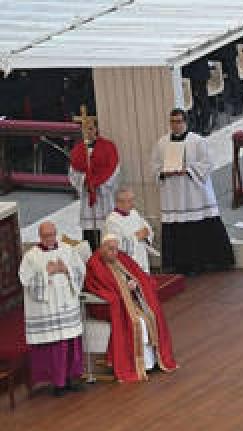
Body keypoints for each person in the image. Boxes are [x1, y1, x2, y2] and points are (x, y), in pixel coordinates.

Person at [152, 109, 235, 275]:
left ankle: (203, 263)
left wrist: (188, 170)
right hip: (173, 193)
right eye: (172, 122)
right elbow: (154, 165)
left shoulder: (197, 141)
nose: (175, 125)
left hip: (194, 193)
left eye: (178, 121)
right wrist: (163, 172)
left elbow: (208, 163)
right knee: (177, 228)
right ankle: (178, 265)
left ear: (185, 122)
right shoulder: (162, 143)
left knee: (197, 226)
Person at [85, 235, 177, 382]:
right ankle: (137, 364)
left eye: (116, 249)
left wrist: (136, 284)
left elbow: (138, 274)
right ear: (101, 248)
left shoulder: (120, 257)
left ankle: (150, 362)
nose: (114, 253)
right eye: (110, 249)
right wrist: (124, 290)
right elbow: (99, 288)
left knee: (151, 315)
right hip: (109, 305)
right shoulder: (95, 264)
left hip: (130, 299)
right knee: (138, 322)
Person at [19, 222, 86, 397]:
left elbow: (81, 270)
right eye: (46, 235)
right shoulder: (31, 256)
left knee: (71, 343)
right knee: (55, 346)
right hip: (47, 310)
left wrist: (67, 269)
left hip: (66, 305)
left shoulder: (67, 250)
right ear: (39, 236)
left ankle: (71, 378)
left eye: (52, 234)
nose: (50, 238)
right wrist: (45, 272)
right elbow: (25, 280)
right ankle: (57, 383)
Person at [68, 113, 121, 251]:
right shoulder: (78, 150)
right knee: (90, 237)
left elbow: (114, 169)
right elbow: (73, 173)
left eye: (91, 128)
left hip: (104, 198)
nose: (88, 132)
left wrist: (98, 183)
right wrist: (85, 181)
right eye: (85, 129)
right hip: (88, 201)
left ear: (96, 129)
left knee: (107, 233)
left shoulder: (108, 147)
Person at [104, 189, 156, 274]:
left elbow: (147, 228)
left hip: (141, 257)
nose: (132, 204)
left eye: (132, 200)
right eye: (129, 201)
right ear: (119, 203)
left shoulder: (133, 213)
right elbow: (115, 247)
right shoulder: (112, 221)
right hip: (125, 264)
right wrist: (137, 237)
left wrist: (146, 233)